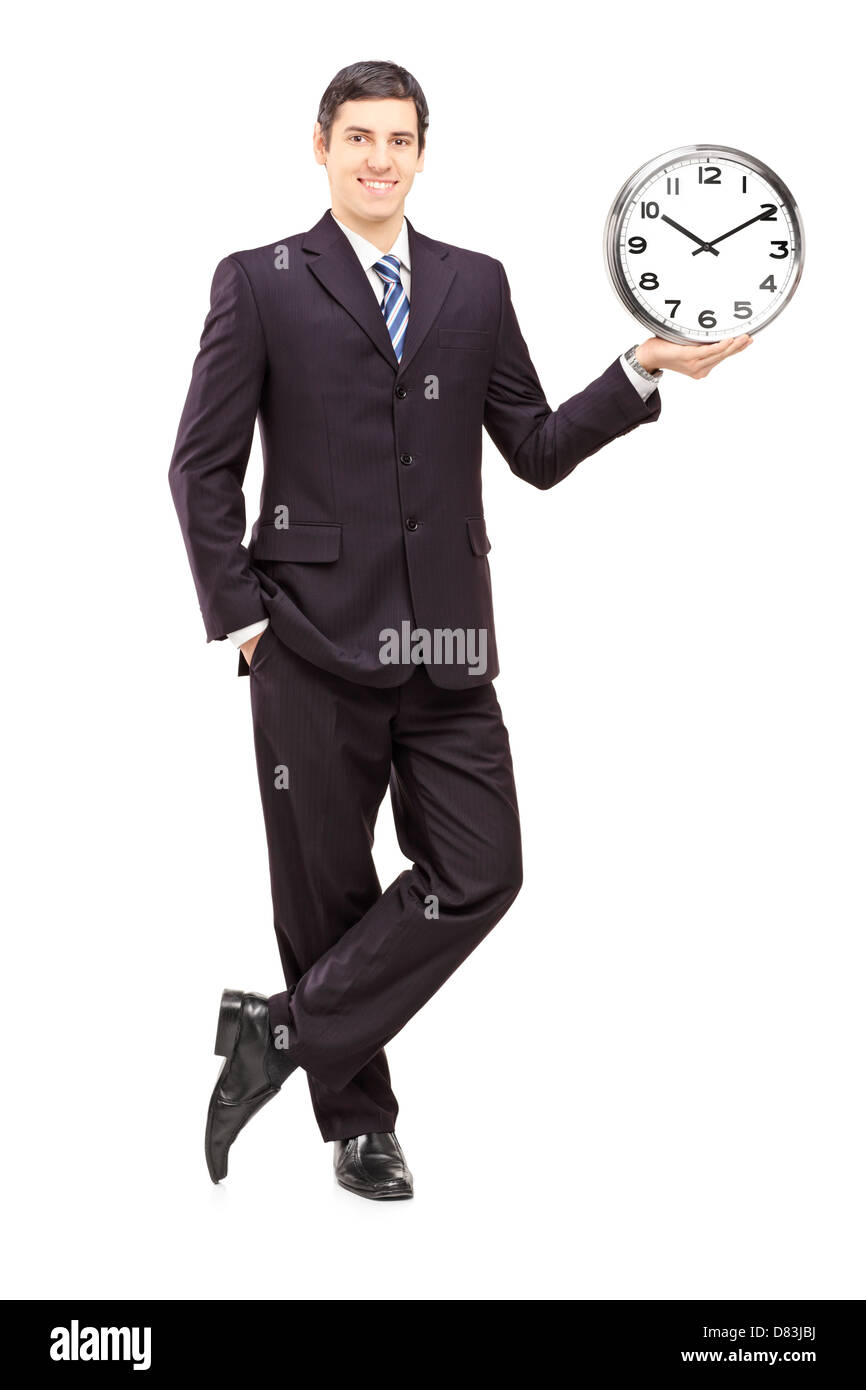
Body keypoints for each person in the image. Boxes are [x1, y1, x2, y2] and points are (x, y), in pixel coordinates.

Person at [169, 60, 752, 1201]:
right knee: (326, 894)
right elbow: (200, 464)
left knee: (482, 870)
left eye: (398, 138)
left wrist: (635, 369)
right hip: (305, 642)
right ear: (322, 148)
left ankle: (280, 1032)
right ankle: (360, 1127)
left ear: (423, 152)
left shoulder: (472, 285)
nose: (378, 158)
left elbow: (529, 447)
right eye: (358, 138)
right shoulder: (260, 281)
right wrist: (240, 620)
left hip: (447, 649)